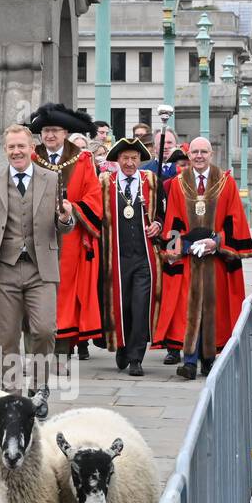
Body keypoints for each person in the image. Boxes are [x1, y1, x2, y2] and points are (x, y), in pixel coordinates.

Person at [0, 123, 75, 394]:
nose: (16, 152)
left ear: (32, 149)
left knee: (44, 330)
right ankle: (12, 396)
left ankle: (40, 387)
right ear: (5, 150)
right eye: (11, 147)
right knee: (6, 337)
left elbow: (62, 224)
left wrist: (66, 217)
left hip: (40, 268)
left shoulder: (51, 179)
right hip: (4, 270)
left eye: (21, 146)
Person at [155, 136, 252, 380]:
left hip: (216, 258)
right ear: (189, 156)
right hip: (189, 257)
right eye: (195, 152)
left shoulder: (226, 183)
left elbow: (235, 220)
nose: (199, 156)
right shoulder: (178, 184)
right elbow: (174, 222)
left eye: (204, 152)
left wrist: (217, 242)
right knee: (188, 306)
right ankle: (189, 360)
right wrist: (183, 247)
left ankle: (208, 360)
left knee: (213, 307)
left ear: (211, 155)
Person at [29, 103, 105, 364]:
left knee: (63, 294)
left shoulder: (82, 160)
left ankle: (61, 352)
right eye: (46, 131)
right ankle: (38, 354)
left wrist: (73, 208)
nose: (49, 135)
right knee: (36, 292)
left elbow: (94, 197)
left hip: (70, 239)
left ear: (65, 133)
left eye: (55, 130)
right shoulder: (31, 157)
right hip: (36, 236)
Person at [95, 137, 165, 376]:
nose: (129, 163)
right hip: (116, 255)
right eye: (125, 158)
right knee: (121, 305)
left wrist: (157, 224)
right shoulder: (105, 182)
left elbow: (164, 214)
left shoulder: (152, 182)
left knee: (140, 304)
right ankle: (122, 347)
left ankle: (136, 357)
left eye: (134, 158)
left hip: (144, 257)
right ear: (117, 160)